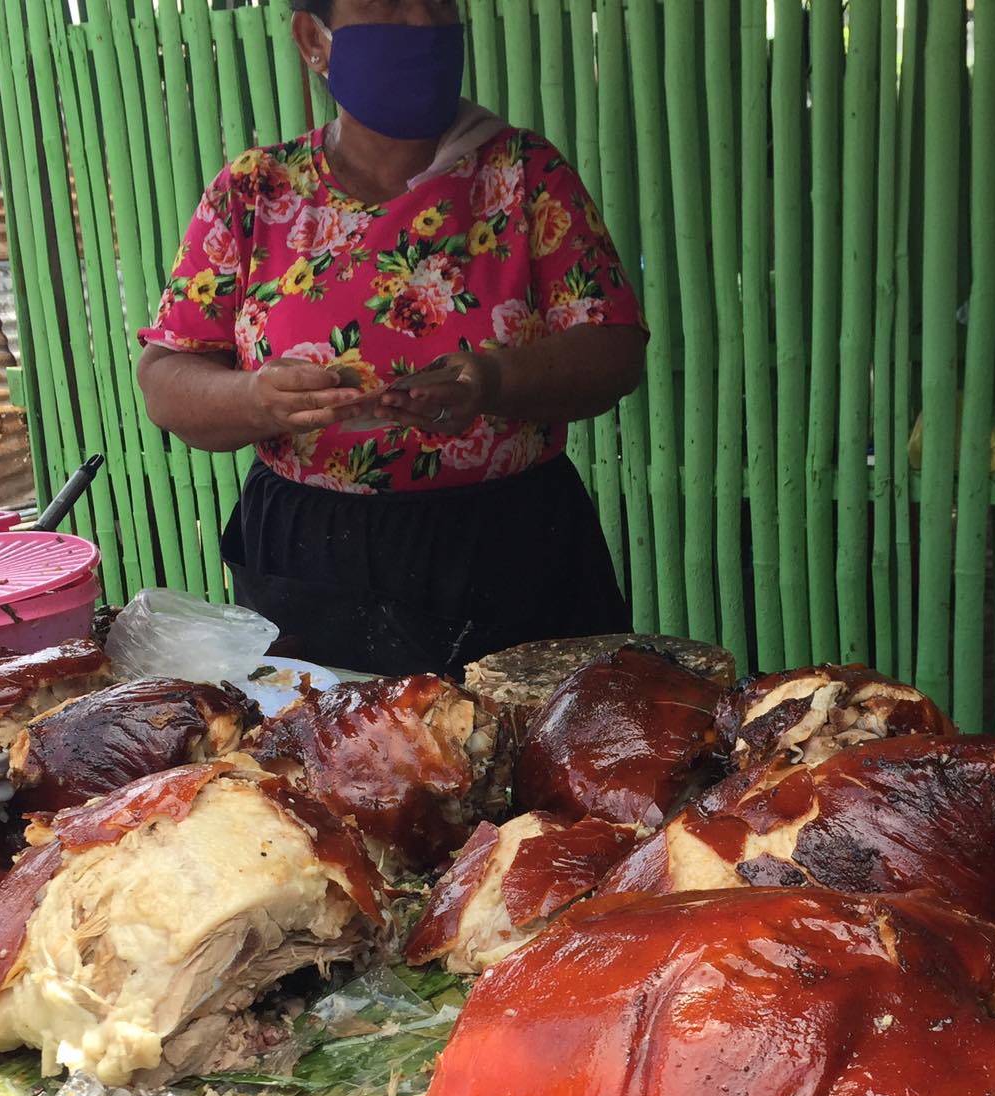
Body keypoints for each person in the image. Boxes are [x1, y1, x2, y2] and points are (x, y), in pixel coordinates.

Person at [136, 0, 645, 676]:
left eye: (439, 5)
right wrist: (258, 398)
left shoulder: (523, 175)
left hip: (509, 546)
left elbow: (612, 350)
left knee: (535, 760)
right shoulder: (256, 192)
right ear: (313, 40)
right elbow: (167, 378)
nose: (421, 25)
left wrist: (493, 381)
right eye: (387, 6)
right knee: (316, 764)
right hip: (309, 560)